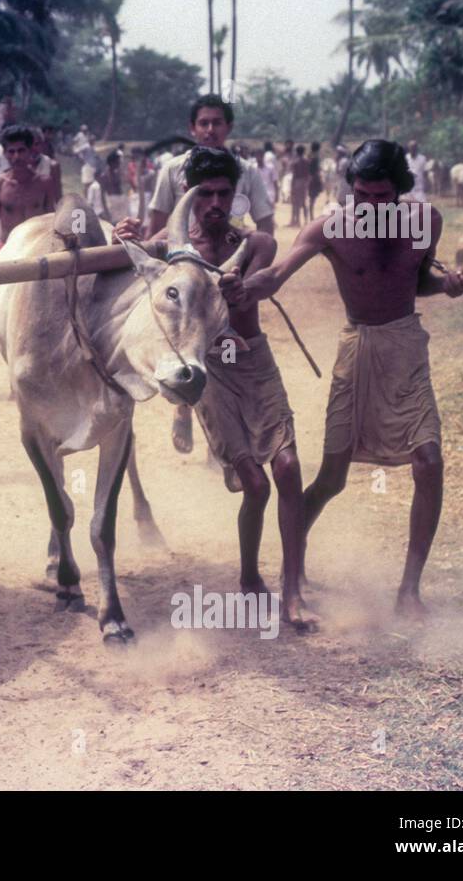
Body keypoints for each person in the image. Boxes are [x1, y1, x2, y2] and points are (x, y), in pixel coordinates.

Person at [232, 139, 463, 616]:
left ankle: (408, 591)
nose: (369, 207)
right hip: (356, 348)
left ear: (401, 191)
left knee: (429, 460)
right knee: (332, 478)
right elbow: (275, 277)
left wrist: (447, 285)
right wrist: (241, 285)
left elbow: (417, 278)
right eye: (361, 197)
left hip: (405, 347)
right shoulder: (329, 228)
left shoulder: (427, 222)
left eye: (380, 198)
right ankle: (292, 562)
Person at [116, 147, 316, 627]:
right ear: (188, 193)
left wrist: (245, 289)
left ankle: (292, 591)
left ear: (237, 195)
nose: (215, 202)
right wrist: (126, 238)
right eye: (204, 192)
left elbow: (264, 278)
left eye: (225, 193)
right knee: (254, 484)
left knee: (287, 468)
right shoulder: (165, 245)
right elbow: (137, 272)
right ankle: (249, 576)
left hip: (253, 358)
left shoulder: (257, 242)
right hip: (208, 372)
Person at [147, 94, 276, 456]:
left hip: (228, 264)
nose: (209, 129)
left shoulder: (246, 171)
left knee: (227, 341)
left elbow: (264, 220)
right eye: (203, 123)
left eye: (216, 122)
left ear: (228, 127)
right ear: (192, 128)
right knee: (187, 339)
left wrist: (256, 265)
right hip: (185, 267)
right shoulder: (172, 169)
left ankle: (224, 430)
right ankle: (184, 408)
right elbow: (158, 223)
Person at [0, 125, 54, 260]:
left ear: (30, 151)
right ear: (5, 153)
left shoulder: (44, 183)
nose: (16, 156)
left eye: (21, 150)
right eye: (11, 151)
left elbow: (51, 219)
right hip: (7, 248)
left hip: (38, 249)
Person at [290, 144, 310, 227]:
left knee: (296, 203)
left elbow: (294, 175)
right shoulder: (306, 161)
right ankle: (306, 220)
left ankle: (297, 221)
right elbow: (307, 173)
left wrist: (292, 186)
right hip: (304, 182)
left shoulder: (295, 162)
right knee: (304, 202)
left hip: (297, 182)